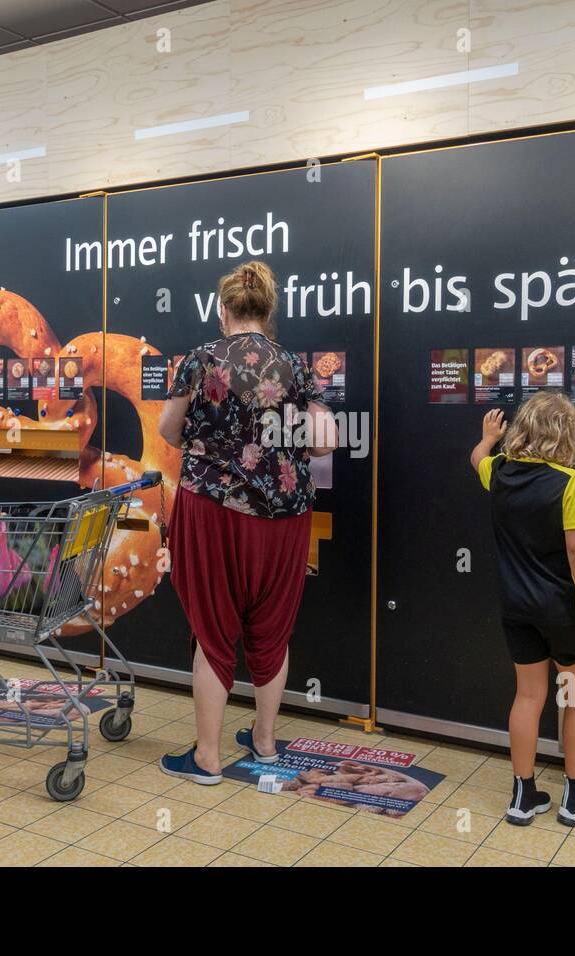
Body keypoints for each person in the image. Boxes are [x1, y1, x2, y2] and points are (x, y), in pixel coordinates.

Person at [157, 260, 337, 785]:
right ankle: (263, 740)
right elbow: (326, 442)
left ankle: (207, 758)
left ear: (223, 310)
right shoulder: (296, 366)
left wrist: (216, 444)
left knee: (213, 628)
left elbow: (169, 432)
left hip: (213, 508)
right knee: (270, 628)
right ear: (267, 310)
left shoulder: (199, 361)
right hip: (285, 514)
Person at [469, 392, 575, 827]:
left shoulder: (498, 470)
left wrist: (487, 438)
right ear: (564, 435)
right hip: (561, 610)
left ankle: (523, 796)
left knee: (529, 697)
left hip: (515, 608)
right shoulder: (569, 482)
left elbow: (476, 458)